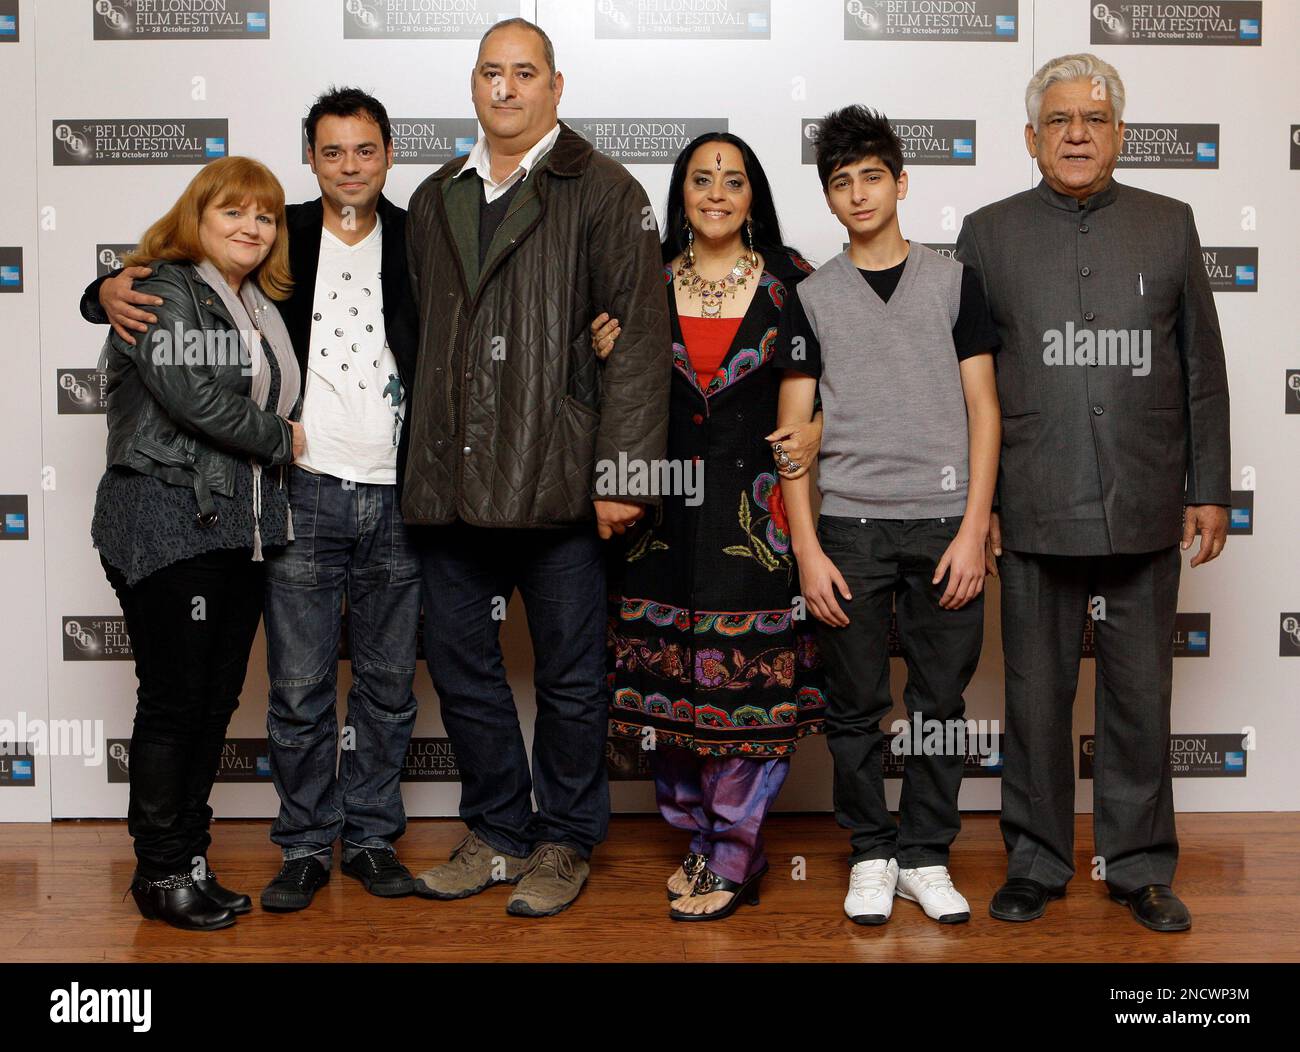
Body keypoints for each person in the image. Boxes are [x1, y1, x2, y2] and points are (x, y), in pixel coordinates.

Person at [83, 88, 424, 912]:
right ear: (310, 157)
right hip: (288, 498)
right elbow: (166, 314)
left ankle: (370, 837)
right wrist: (104, 288)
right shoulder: (284, 236)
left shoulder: (423, 237)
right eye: (332, 151)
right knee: (297, 688)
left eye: (366, 150)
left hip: (391, 494)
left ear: (388, 154)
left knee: (385, 685)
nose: (349, 165)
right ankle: (302, 845)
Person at [402, 18, 670, 917]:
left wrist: (623, 476)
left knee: (567, 679)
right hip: (450, 486)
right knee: (464, 668)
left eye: (524, 73)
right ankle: (497, 832)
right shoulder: (435, 193)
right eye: (490, 73)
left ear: (557, 86)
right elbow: (421, 335)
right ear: (472, 86)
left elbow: (635, 341)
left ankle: (563, 840)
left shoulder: (605, 188)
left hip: (558, 484)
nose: (505, 89)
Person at [957, 54, 1230, 932]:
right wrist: (980, 504)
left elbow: (1202, 370)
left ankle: (1140, 868)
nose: (1078, 134)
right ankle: (1034, 863)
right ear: (1031, 137)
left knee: (1140, 699)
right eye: (1061, 120)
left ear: (1119, 133)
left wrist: (1210, 487)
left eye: (1096, 119)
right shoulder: (987, 233)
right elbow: (965, 384)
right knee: (1034, 698)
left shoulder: (1170, 223)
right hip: (1033, 503)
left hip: (1147, 503)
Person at [775, 107, 1001, 926]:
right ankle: (871, 851)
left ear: (901, 183)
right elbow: (792, 440)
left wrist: (976, 525)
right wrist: (807, 547)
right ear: (829, 201)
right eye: (842, 182)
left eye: (872, 176)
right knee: (854, 706)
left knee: (940, 704)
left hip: (945, 523)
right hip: (850, 531)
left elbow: (985, 410)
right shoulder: (811, 298)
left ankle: (928, 854)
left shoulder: (954, 281)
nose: (859, 193)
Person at [592, 133, 826, 921]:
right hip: (656, 527)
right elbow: (604, 391)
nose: (717, 192)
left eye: (733, 179)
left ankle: (736, 854)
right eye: (701, 179)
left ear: (754, 194)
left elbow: (825, 394)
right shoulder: (642, 281)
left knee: (742, 698)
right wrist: (607, 348)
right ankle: (698, 842)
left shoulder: (795, 283)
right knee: (667, 697)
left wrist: (819, 426)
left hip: (753, 527)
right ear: (681, 193)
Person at [90, 156, 304, 930]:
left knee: (212, 703)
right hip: (166, 519)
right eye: (232, 213)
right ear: (197, 218)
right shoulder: (164, 285)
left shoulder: (255, 304)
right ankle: (157, 872)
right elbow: (189, 396)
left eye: (265, 216)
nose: (252, 227)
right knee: (178, 703)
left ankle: (186, 858)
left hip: (235, 530)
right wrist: (283, 436)